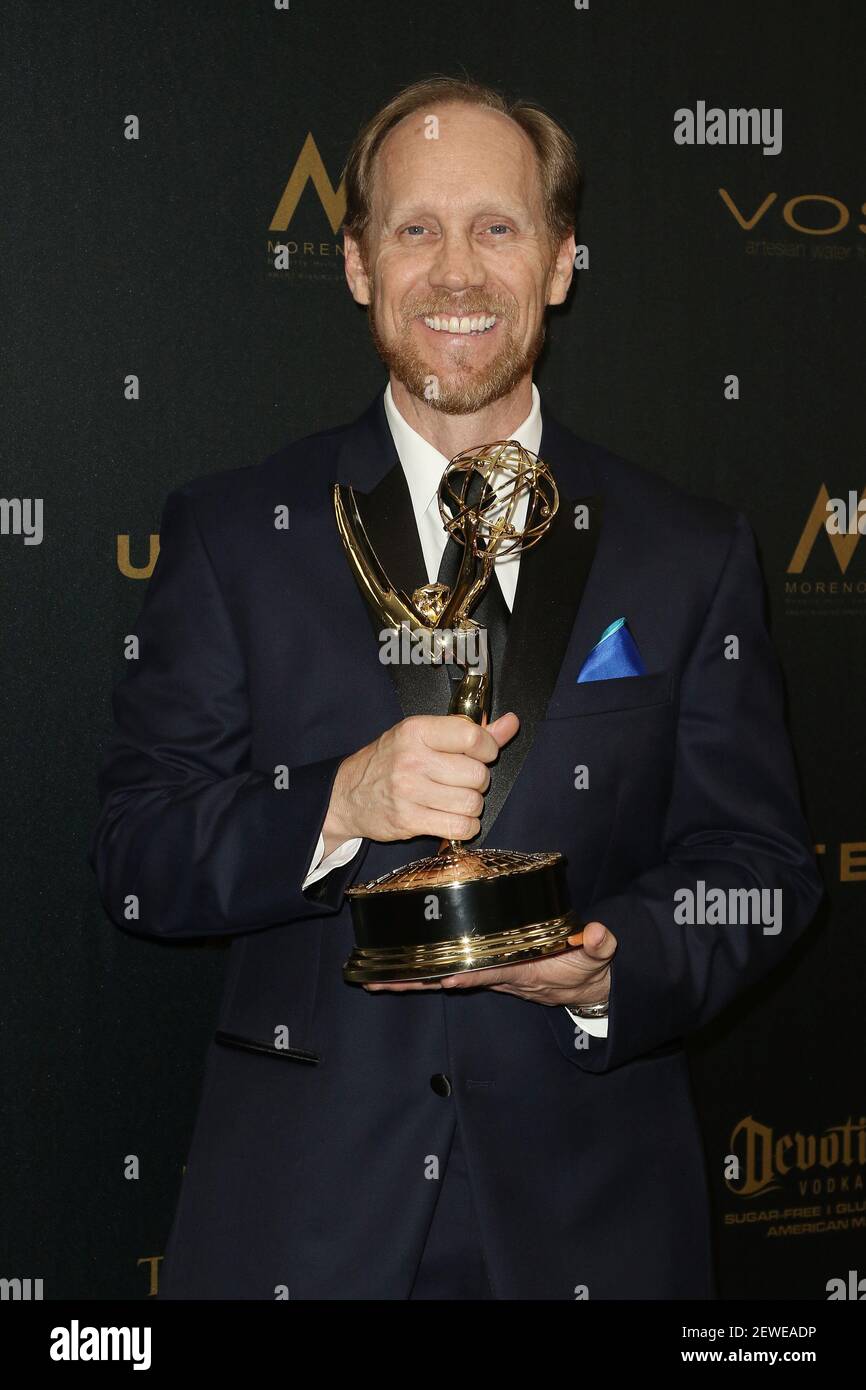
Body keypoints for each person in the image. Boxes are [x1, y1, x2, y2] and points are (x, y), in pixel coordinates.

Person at [90, 75, 823, 1300]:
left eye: (496, 226)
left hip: (596, 1226)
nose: (455, 271)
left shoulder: (684, 549)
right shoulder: (237, 533)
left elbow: (758, 866)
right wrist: (334, 803)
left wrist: (613, 966)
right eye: (414, 229)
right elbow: (134, 854)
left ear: (558, 261)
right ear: (357, 265)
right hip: (300, 1234)